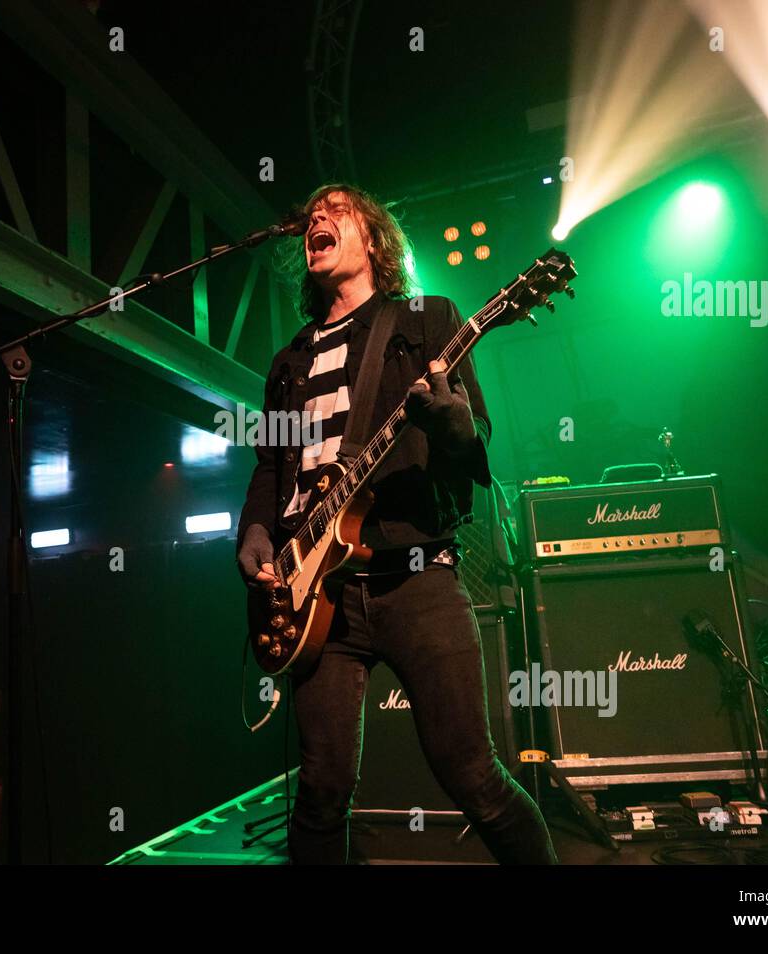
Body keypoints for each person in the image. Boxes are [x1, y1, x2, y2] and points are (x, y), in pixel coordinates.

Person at [236, 184, 557, 864]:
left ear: (376, 240)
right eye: (311, 213)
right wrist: (255, 538)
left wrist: (451, 420)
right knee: (321, 789)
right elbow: (270, 468)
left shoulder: (425, 318)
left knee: (473, 776)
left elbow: (477, 441)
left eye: (337, 209)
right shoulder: (288, 361)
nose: (316, 217)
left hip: (414, 577)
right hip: (317, 599)